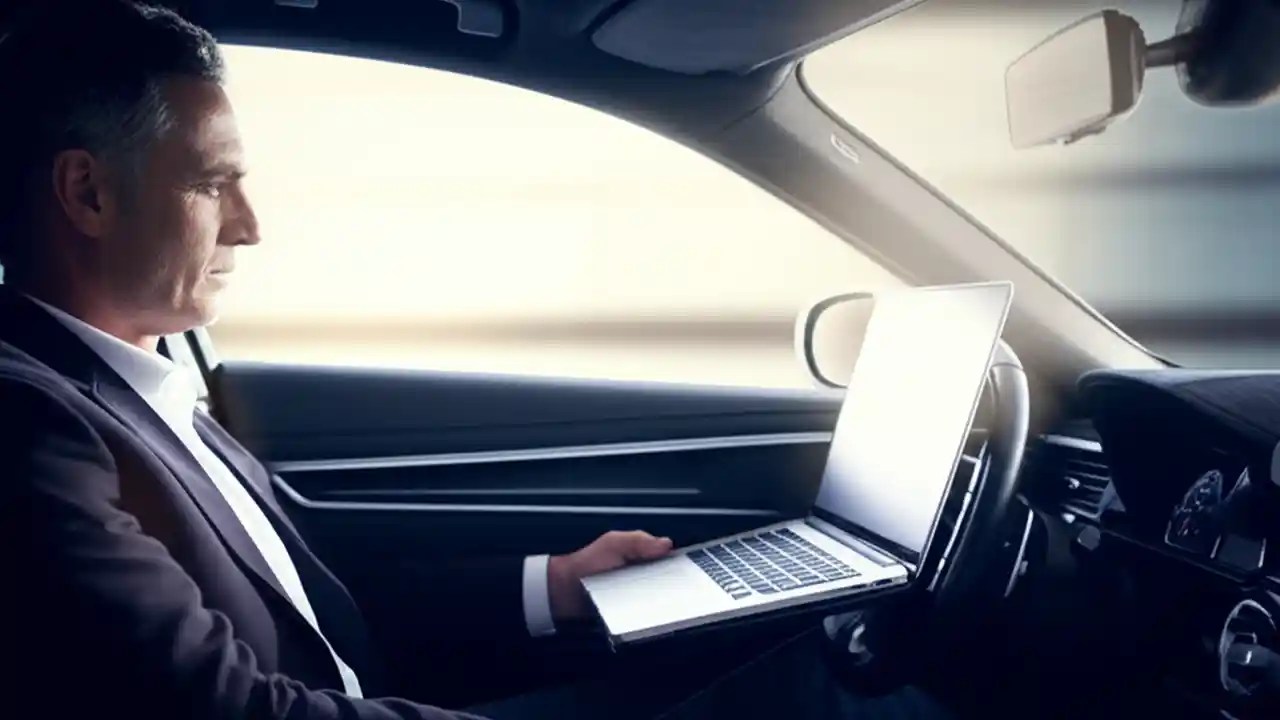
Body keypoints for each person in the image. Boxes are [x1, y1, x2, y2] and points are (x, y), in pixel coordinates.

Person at [0, 2, 954, 718]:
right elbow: (225, 708)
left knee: (813, 671)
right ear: (87, 194)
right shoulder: (30, 424)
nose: (250, 227)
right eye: (214, 184)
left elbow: (317, 602)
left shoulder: (140, 382)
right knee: (851, 695)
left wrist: (558, 584)